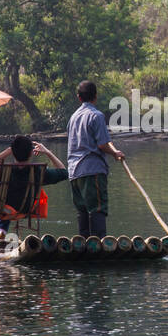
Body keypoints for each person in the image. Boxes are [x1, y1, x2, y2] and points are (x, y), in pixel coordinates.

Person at [66, 80, 124, 238]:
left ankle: (83, 245)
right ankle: (98, 245)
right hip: (92, 171)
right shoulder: (96, 116)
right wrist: (115, 154)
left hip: (74, 173)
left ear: (79, 98)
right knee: (97, 209)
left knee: (83, 211)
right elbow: (103, 144)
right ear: (95, 96)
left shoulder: (73, 118)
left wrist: (113, 150)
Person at [0, 136, 70, 240]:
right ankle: (2, 229)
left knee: (5, 200)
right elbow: (64, 173)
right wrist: (48, 152)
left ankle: (1, 229)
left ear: (13, 152)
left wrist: (9, 150)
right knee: (13, 201)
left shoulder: (2, 170)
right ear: (30, 153)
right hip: (27, 208)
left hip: (4, 209)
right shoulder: (38, 171)